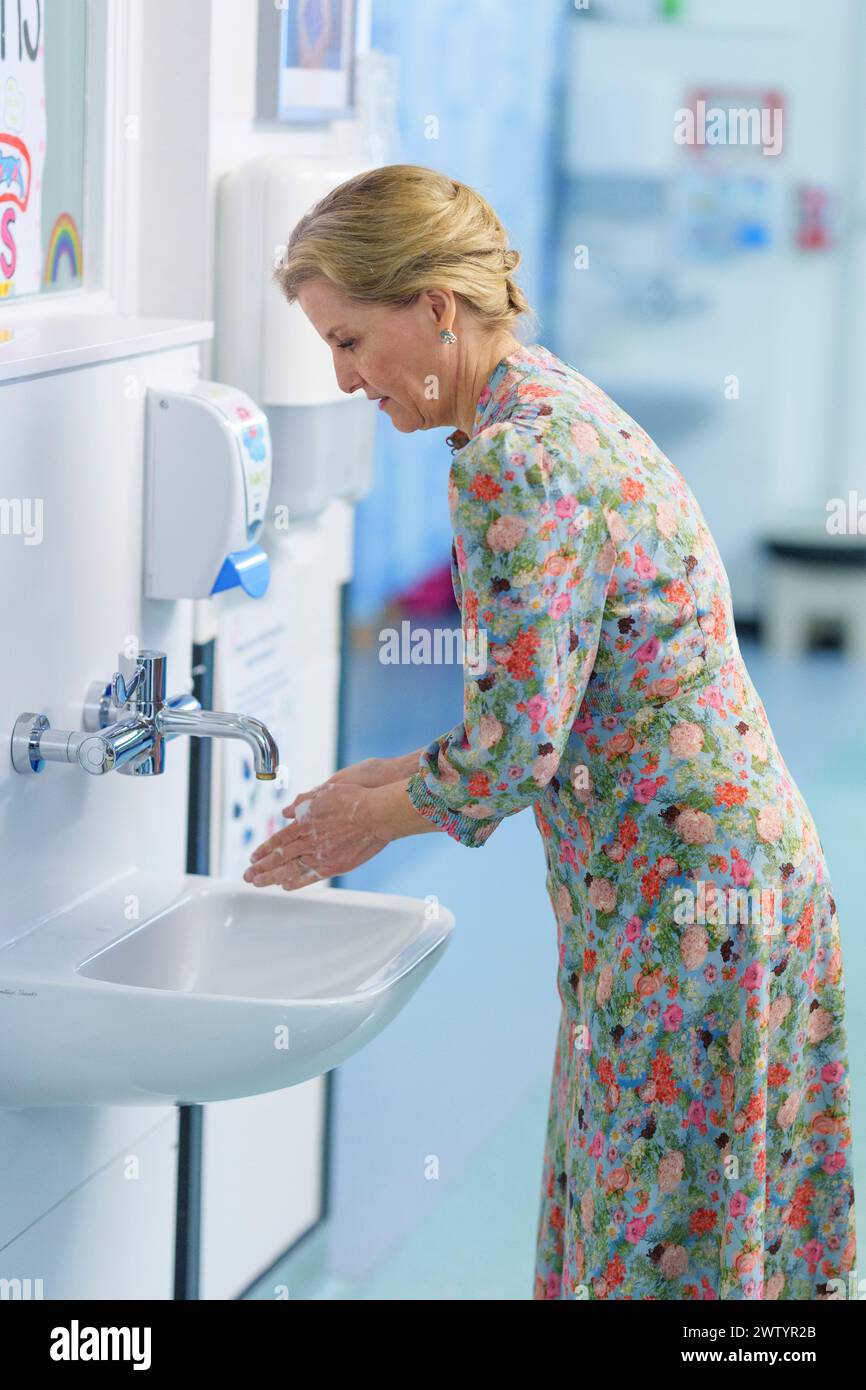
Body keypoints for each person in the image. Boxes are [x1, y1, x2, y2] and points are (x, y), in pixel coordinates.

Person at [244, 164, 857, 1300]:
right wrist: (387, 773)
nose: (340, 379)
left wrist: (360, 823)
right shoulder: (550, 397)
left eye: (348, 339)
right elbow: (551, 703)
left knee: (655, 1244)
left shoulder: (506, 462)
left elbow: (516, 751)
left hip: (681, 914)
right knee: (719, 1236)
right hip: (736, 883)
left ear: (433, 306)